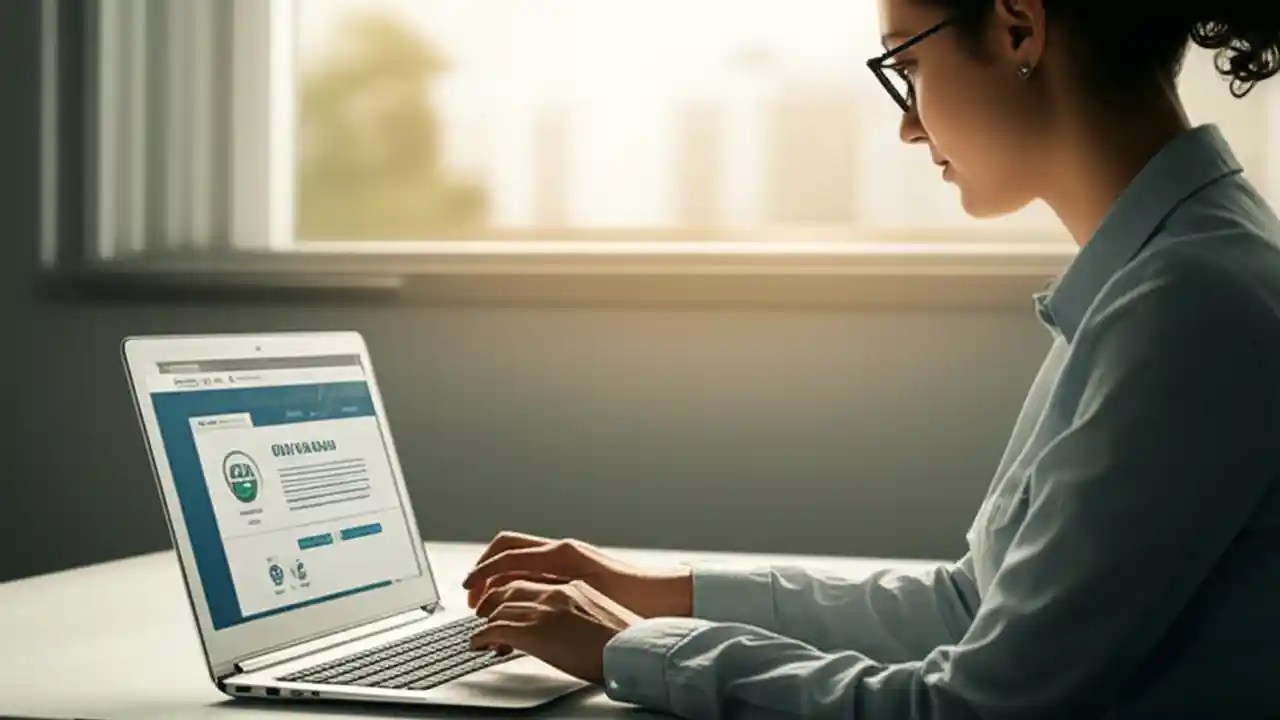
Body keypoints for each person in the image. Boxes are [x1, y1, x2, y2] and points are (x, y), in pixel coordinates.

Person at [462, 0, 1280, 717]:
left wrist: (633, 649)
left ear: (1018, 27)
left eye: (908, 63)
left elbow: (973, 708)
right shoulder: (1160, 277)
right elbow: (971, 606)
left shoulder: (1189, 308)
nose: (908, 125)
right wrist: (658, 593)